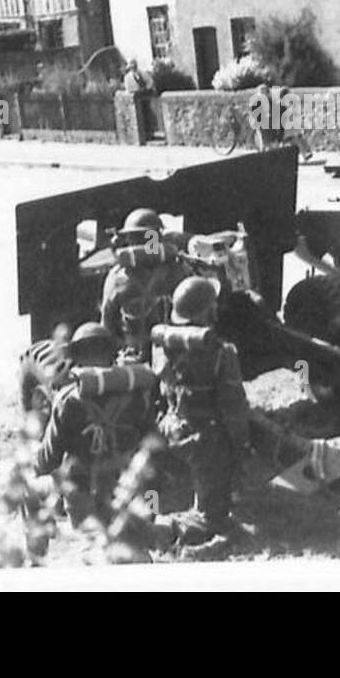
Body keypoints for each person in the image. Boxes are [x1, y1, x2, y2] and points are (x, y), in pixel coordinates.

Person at [151, 276, 251, 546]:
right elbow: (234, 409)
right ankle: (170, 530)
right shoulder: (222, 352)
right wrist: (242, 445)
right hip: (204, 440)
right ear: (208, 311)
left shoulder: (162, 344)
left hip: (171, 430)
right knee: (214, 515)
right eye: (213, 305)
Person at [34, 324, 157, 527]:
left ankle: (37, 551)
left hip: (84, 505)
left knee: (28, 489)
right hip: (132, 496)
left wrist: (33, 468)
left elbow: (49, 459)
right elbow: (154, 446)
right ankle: (151, 520)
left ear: (77, 356)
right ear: (111, 354)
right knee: (153, 480)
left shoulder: (68, 400)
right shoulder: (136, 393)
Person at [100, 208, 190, 363]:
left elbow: (108, 325)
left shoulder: (117, 277)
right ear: (158, 236)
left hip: (138, 357)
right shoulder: (178, 269)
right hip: (173, 355)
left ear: (129, 238)